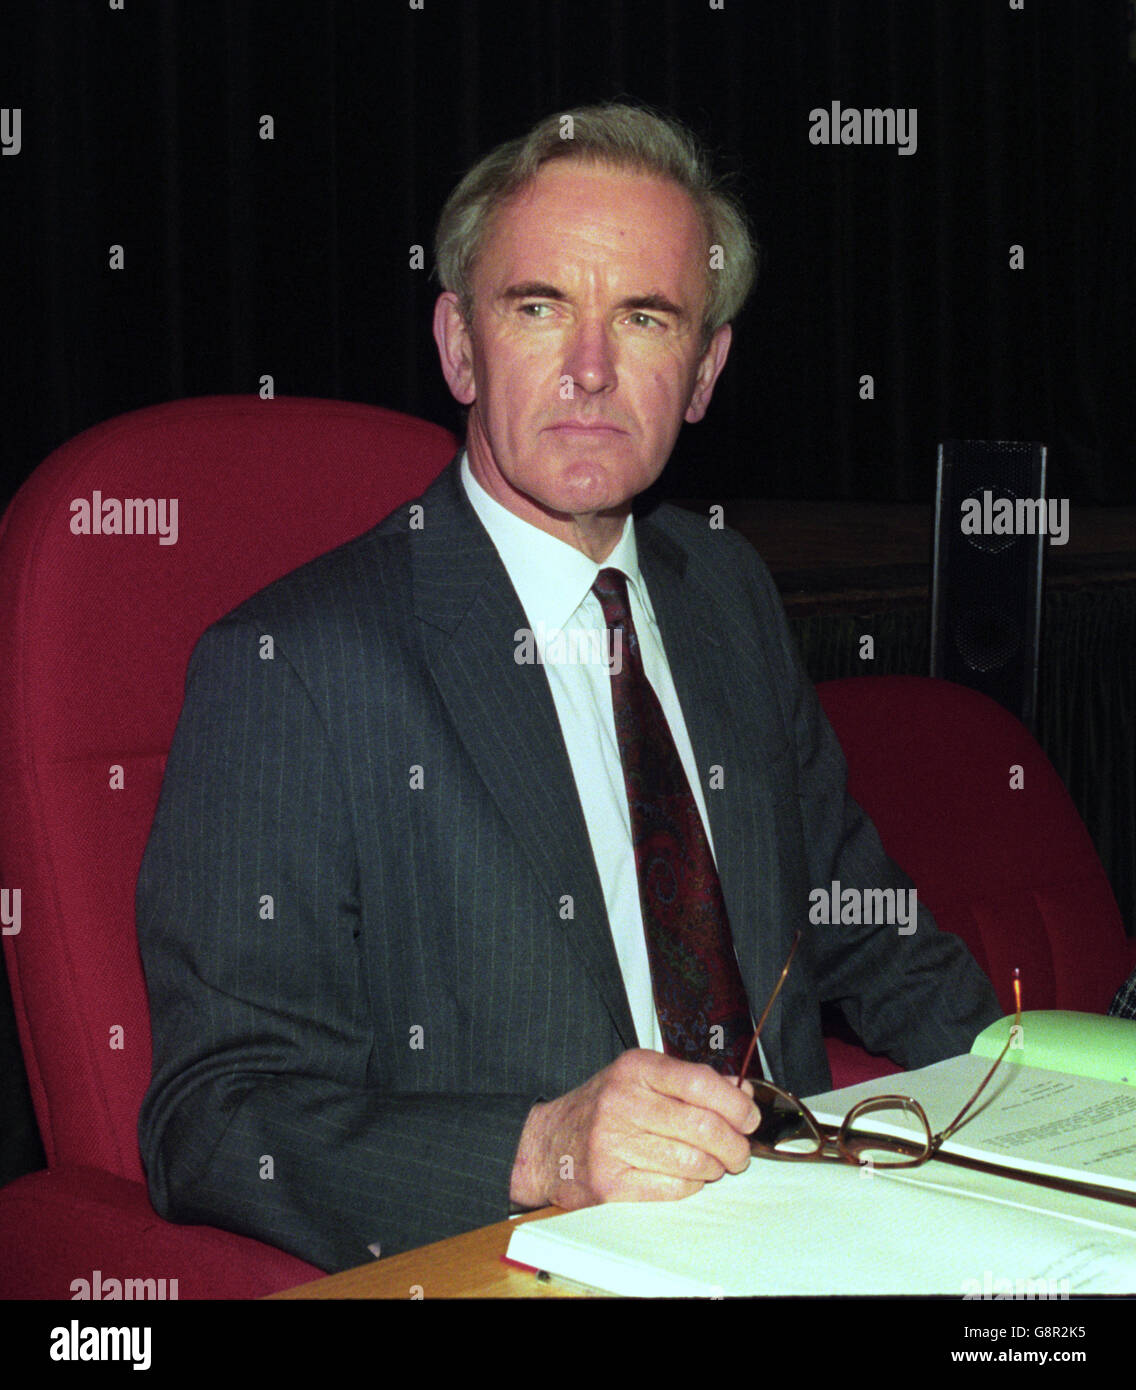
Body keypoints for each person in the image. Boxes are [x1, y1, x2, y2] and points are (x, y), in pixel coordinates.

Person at [136, 103, 1001, 1273]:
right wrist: (539, 1147)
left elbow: (856, 919)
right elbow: (212, 1119)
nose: (589, 369)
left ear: (703, 369)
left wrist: (1038, 1084)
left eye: (643, 318)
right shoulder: (294, 666)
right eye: (537, 306)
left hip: (813, 1240)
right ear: (456, 345)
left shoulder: (724, 592)